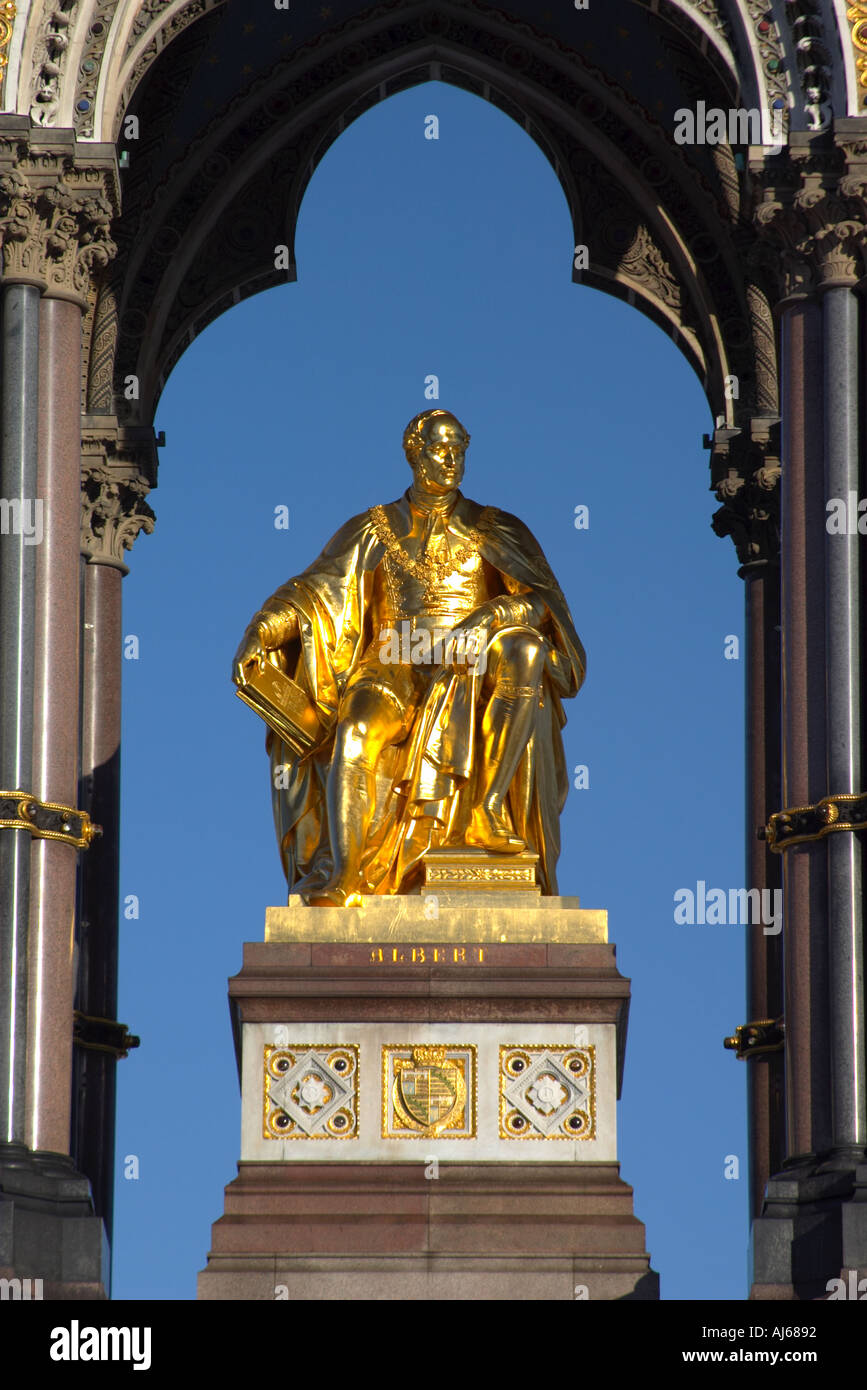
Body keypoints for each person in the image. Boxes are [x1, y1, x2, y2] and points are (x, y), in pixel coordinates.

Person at [232, 409, 585, 905]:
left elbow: (545, 605)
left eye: (459, 449)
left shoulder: (497, 527)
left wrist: (493, 615)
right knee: (354, 732)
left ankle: (486, 809)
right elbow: (316, 593)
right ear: (413, 452)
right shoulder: (372, 528)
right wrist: (264, 629)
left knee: (525, 647)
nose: (451, 460)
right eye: (441, 449)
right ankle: (344, 875)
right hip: (391, 664)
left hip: (471, 665)